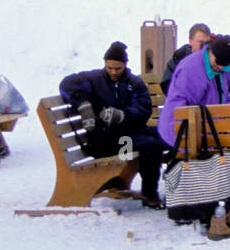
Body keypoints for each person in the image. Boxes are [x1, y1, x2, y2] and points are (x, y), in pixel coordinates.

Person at [160, 35, 230, 240]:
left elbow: (225, 96)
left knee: (221, 152)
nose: (221, 68)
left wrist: (227, 124)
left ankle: (214, 205)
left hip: (209, 127)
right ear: (211, 53)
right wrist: (201, 133)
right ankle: (205, 207)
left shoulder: (223, 66)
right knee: (210, 156)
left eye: (225, 66)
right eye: (218, 64)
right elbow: (180, 106)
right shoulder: (192, 69)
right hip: (182, 128)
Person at [59, 41, 166, 209]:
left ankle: (182, 185)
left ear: (125, 65)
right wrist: (83, 104)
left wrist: (123, 115)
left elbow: (143, 109)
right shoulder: (94, 80)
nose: (113, 72)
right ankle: (149, 193)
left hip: (127, 133)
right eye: (109, 68)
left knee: (164, 135)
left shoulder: (134, 83)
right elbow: (66, 84)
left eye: (117, 68)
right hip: (105, 142)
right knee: (150, 145)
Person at [161, 23, 212, 95]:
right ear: (190, 41)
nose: (203, 46)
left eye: (207, 42)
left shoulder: (214, 61)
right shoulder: (179, 58)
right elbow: (166, 85)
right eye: (200, 42)